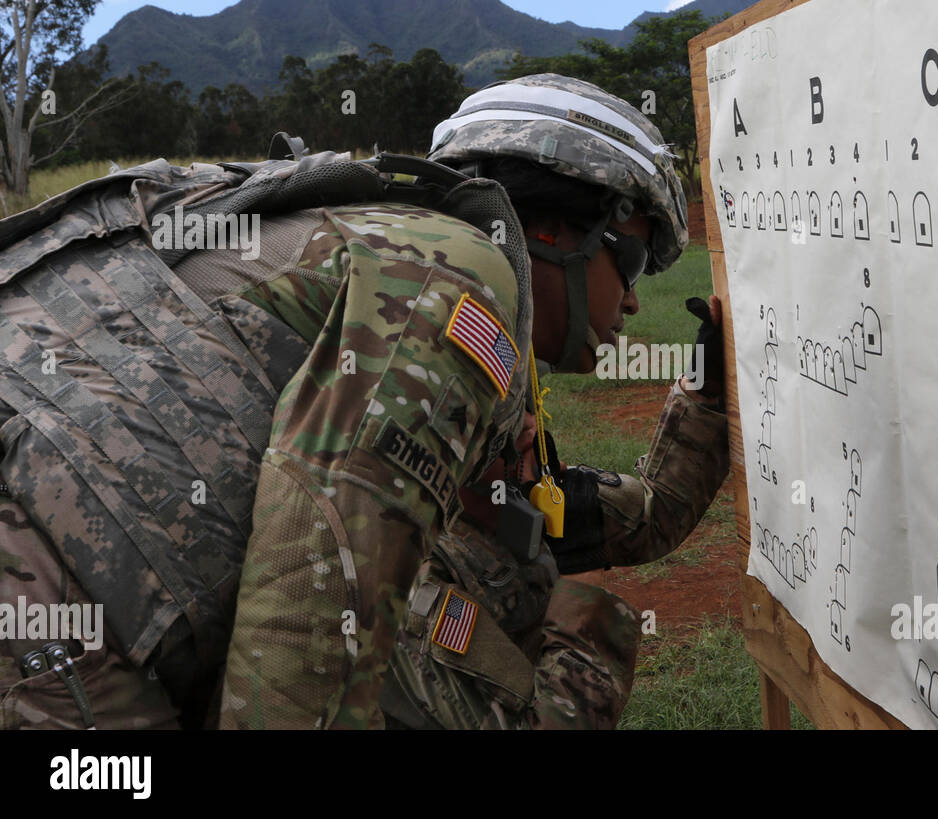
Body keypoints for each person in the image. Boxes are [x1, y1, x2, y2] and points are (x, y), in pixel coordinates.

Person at [218, 74, 731, 729]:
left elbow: (647, 514)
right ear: (547, 228)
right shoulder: (438, 316)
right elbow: (295, 683)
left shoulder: (495, 408)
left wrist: (704, 392)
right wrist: (585, 651)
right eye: (628, 261)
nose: (632, 300)